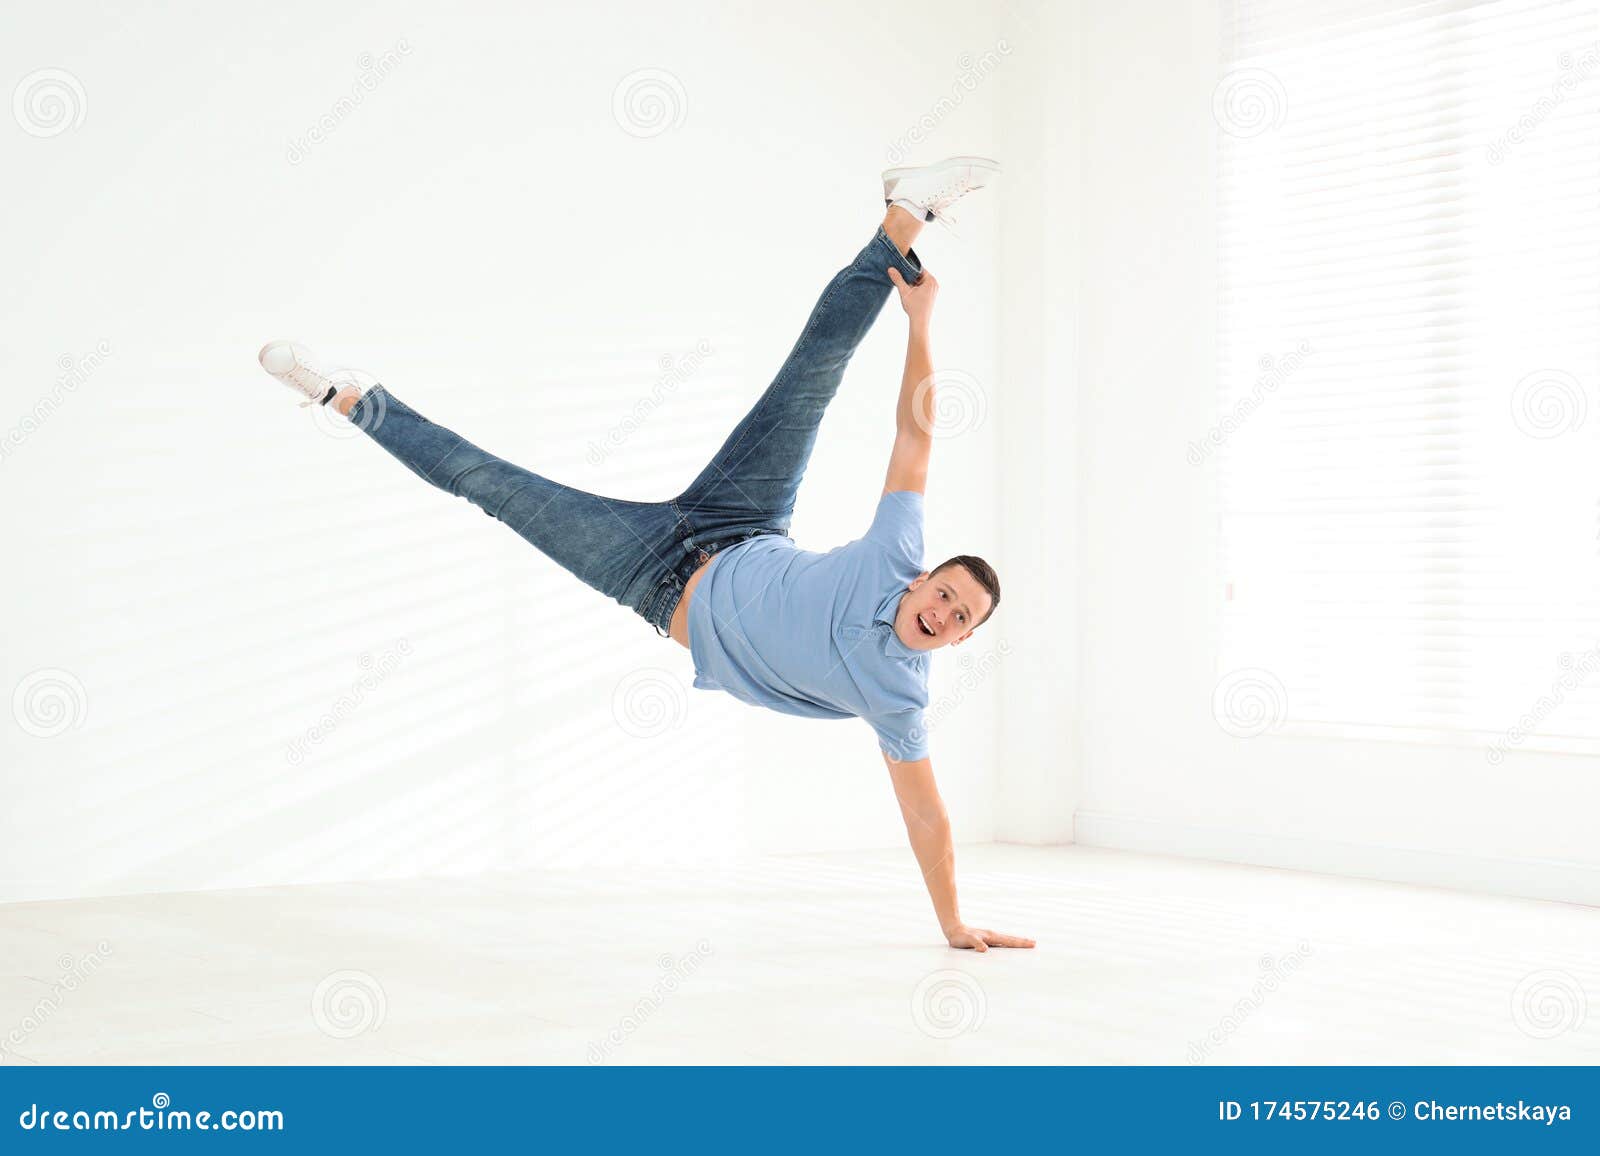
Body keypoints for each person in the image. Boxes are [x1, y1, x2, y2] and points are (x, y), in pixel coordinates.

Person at [256, 157, 1034, 951]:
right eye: (945, 593)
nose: (943, 611)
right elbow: (915, 435)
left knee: (493, 487)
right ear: (924, 579)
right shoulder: (894, 556)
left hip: (649, 575)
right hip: (745, 517)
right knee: (813, 374)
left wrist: (953, 924)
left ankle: (346, 400)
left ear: (962, 641)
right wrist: (920, 324)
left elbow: (926, 816)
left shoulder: (898, 699)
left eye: (960, 618)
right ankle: (905, 215)